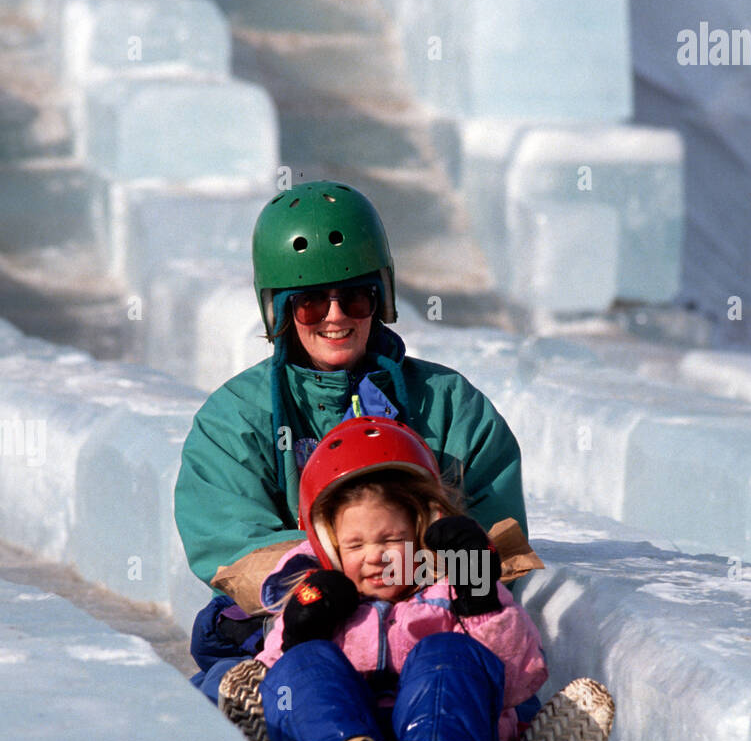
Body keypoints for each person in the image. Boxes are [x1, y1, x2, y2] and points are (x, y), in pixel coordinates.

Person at [174, 181, 540, 700]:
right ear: (278, 311)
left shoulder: (449, 403)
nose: (335, 316)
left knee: (472, 678)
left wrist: (413, 579)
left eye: (354, 296)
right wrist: (329, 584)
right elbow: (226, 542)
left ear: (382, 297)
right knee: (225, 686)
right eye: (308, 304)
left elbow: (498, 532)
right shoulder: (235, 416)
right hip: (295, 626)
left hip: (429, 625)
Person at [220, 416, 548, 741]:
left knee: (447, 652)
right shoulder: (320, 602)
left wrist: (480, 598)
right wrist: (300, 638)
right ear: (330, 547)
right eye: (355, 546)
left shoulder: (454, 596)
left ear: (422, 534)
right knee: (306, 661)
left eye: (392, 539)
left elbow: (517, 683)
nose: (375, 557)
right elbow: (285, 691)